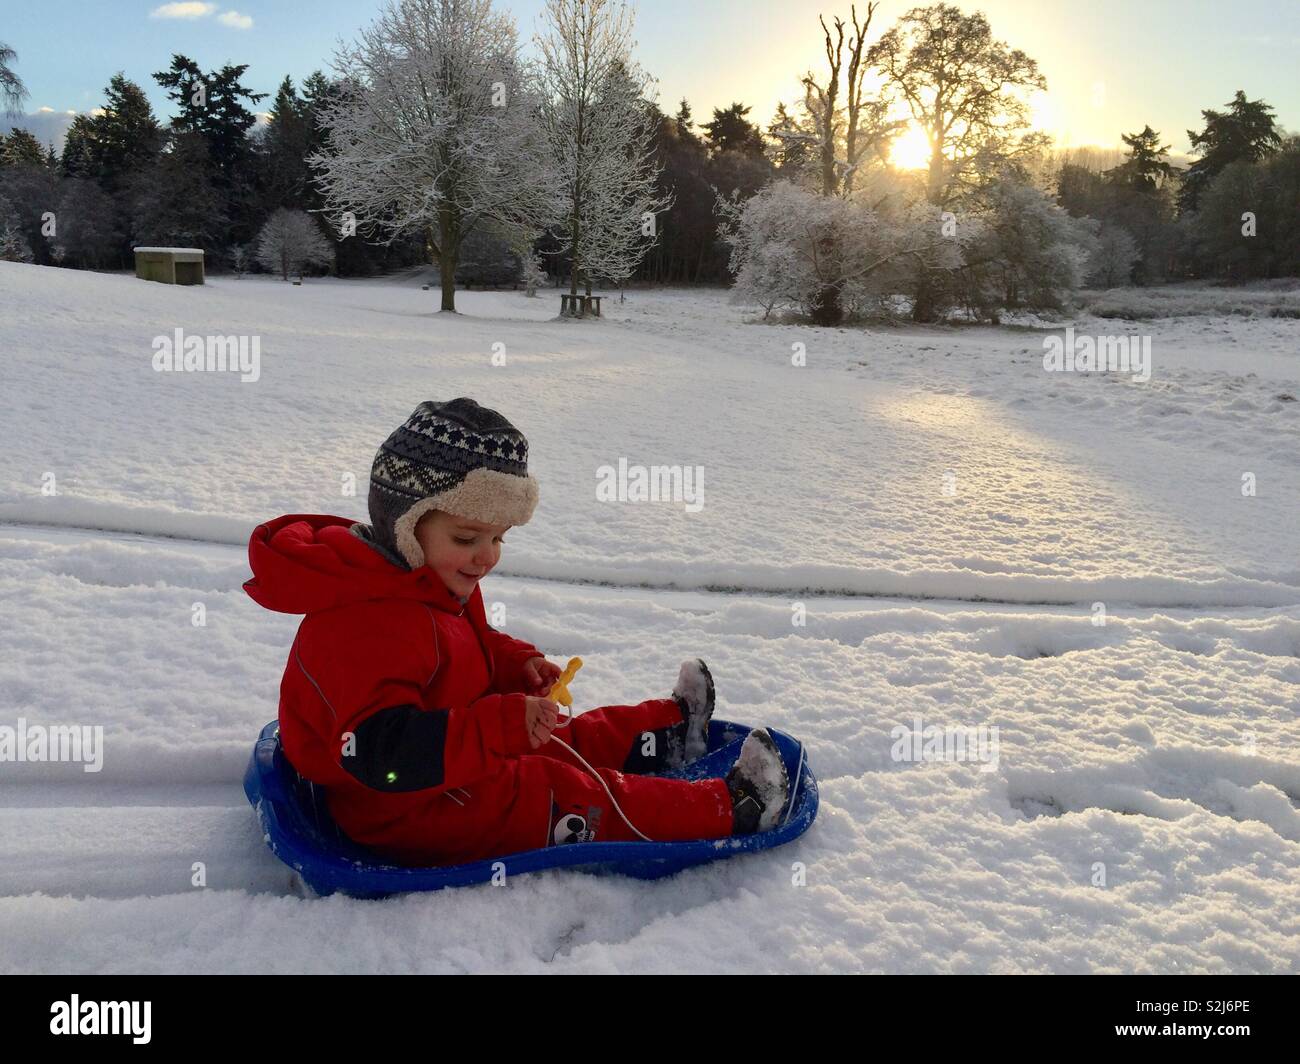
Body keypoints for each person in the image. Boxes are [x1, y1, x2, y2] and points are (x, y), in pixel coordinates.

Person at [244, 397, 789, 867]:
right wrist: (496, 728)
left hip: (452, 762)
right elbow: (378, 754)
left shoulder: (428, 578)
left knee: (555, 737)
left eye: (499, 537)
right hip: (403, 809)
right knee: (562, 793)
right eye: (467, 537)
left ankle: (665, 732)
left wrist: (513, 663)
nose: (486, 557)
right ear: (406, 526)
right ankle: (732, 809)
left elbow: (457, 646)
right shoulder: (362, 622)